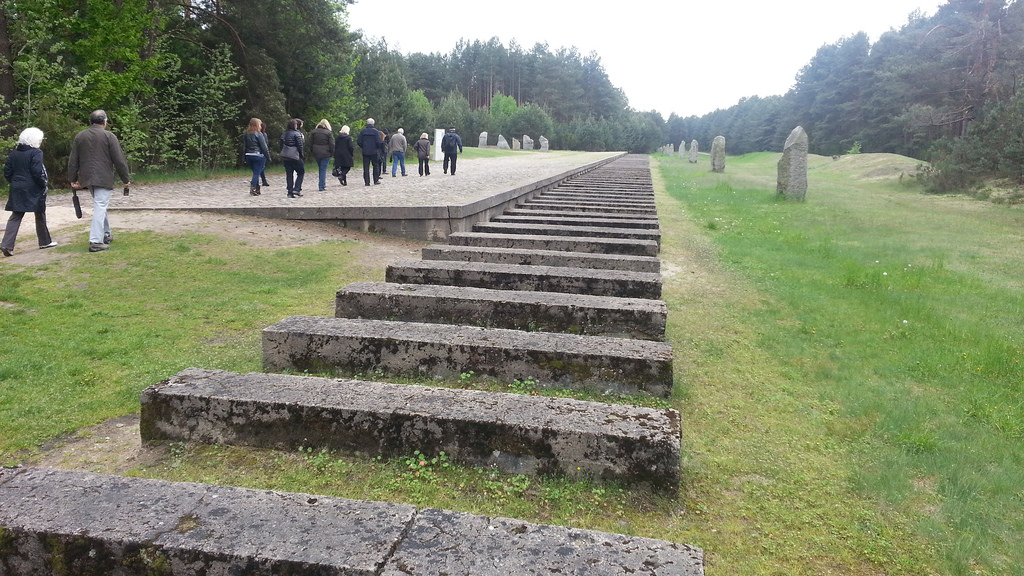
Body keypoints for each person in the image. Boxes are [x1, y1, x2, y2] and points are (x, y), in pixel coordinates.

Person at [68, 109, 131, 253]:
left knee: (99, 205)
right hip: (103, 177)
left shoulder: (80, 136)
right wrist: (125, 179)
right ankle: (96, 241)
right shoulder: (109, 136)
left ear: (90, 121)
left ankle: (106, 234)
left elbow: (73, 160)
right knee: (100, 206)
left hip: (87, 178)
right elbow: (119, 160)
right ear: (104, 121)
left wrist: (72, 178)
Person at [1, 127, 56, 256]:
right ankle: (44, 241)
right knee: (40, 213)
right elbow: (37, 171)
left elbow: (7, 172)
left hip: (17, 186)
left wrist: (14, 182)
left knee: (16, 215)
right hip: (33, 187)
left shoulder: (13, 153)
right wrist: (42, 183)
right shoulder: (36, 153)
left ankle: (7, 244)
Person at [241, 117, 270, 196]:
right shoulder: (259, 134)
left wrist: (243, 158)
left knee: (255, 172)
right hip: (258, 155)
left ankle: (257, 188)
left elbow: (244, 146)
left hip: (248, 155)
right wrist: (268, 157)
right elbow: (264, 147)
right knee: (257, 173)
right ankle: (253, 188)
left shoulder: (246, 134)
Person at [279, 118, 305, 198]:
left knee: (289, 174)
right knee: (301, 172)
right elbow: (300, 146)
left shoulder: (284, 134)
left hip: (286, 156)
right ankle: (297, 189)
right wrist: (302, 155)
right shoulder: (297, 134)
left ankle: (289, 192)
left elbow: (281, 144)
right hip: (295, 156)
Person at [309, 118, 335, 191]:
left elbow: (310, 143)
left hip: (316, 152)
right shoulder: (328, 133)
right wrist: (332, 153)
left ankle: (322, 184)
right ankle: (321, 186)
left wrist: (312, 151)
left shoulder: (314, 132)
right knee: (323, 169)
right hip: (326, 153)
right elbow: (332, 144)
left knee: (321, 168)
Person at [357, 118, 383, 186]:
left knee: (366, 167)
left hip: (365, 151)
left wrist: (363, 146)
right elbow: (379, 142)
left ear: (367, 123)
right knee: (375, 166)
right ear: (373, 124)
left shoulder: (363, 131)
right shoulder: (376, 131)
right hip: (374, 151)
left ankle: (367, 182)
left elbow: (359, 141)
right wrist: (377, 147)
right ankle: (376, 180)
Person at [258, 121, 271, 187]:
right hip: (262, 153)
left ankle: (262, 180)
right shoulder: (263, 135)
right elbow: (265, 145)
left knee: (260, 167)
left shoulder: (255, 134)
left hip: (258, 152)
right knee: (262, 167)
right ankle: (263, 180)